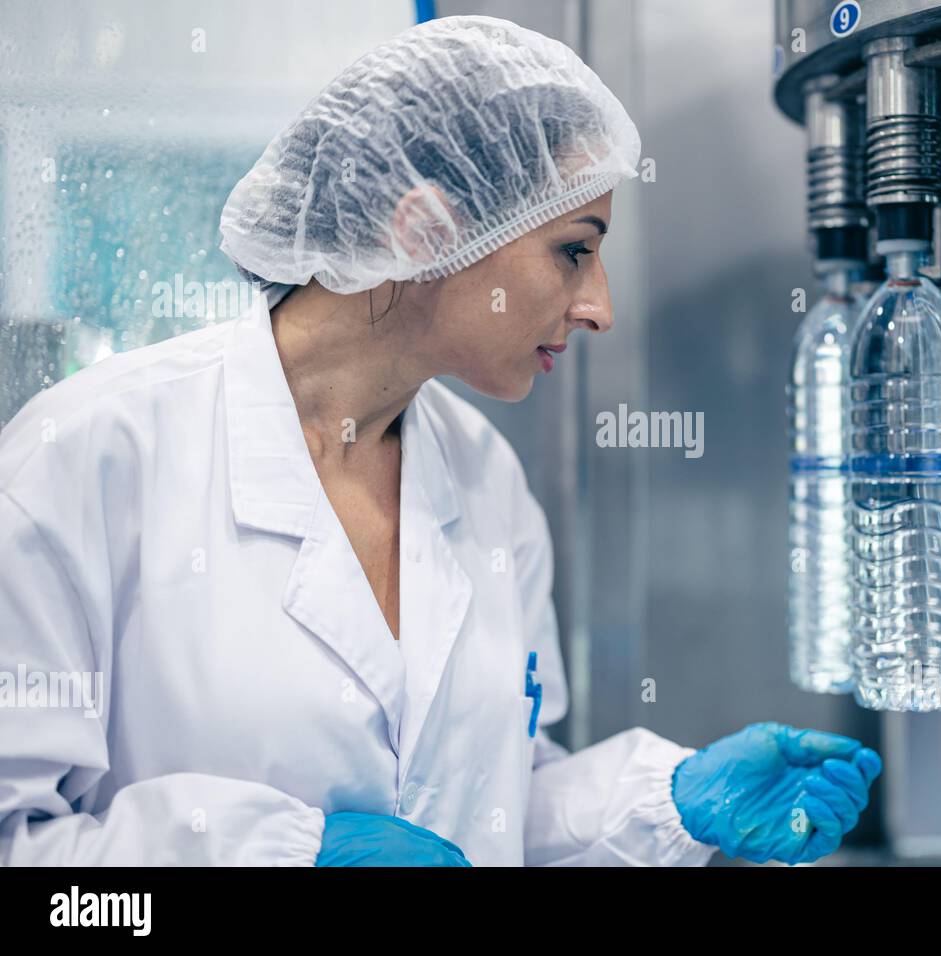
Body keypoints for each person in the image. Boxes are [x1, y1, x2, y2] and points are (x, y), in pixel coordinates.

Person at [0, 15, 880, 867]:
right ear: (426, 231)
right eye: (574, 250)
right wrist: (269, 858)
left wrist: (669, 801)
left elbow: (486, 804)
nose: (599, 307)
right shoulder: (86, 460)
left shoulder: (486, 478)